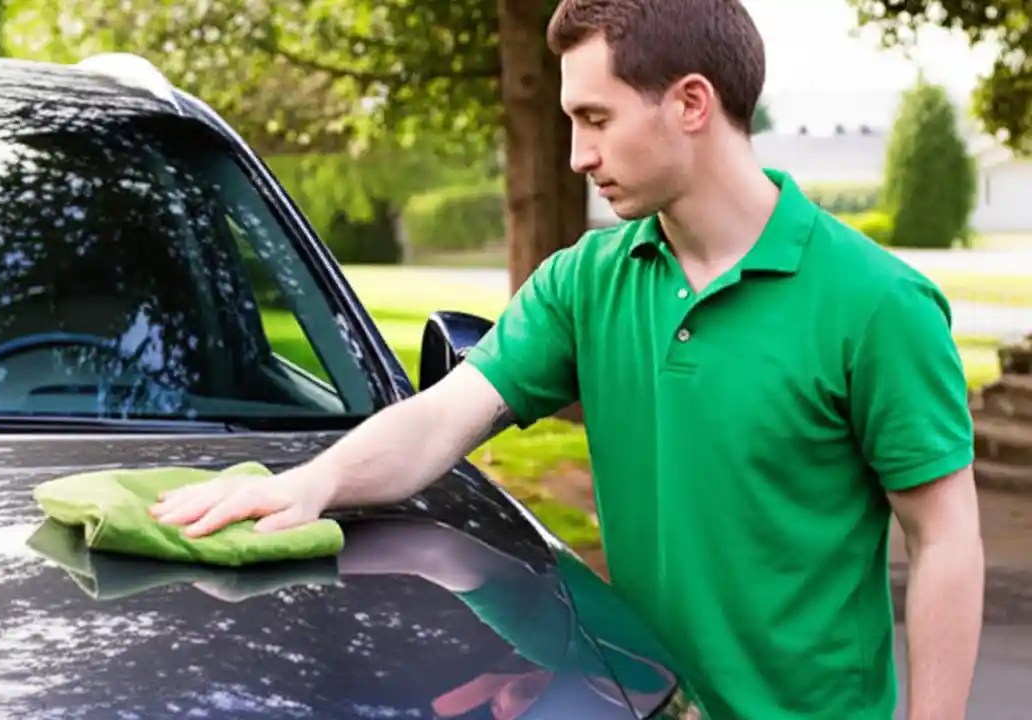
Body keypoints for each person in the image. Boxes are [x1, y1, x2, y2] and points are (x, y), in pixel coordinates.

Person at [149, 0, 985, 716]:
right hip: (644, 705)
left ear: (691, 103)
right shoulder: (586, 283)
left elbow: (945, 538)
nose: (580, 155)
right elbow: (442, 418)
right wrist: (309, 484)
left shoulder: (876, 303)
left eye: (596, 119)